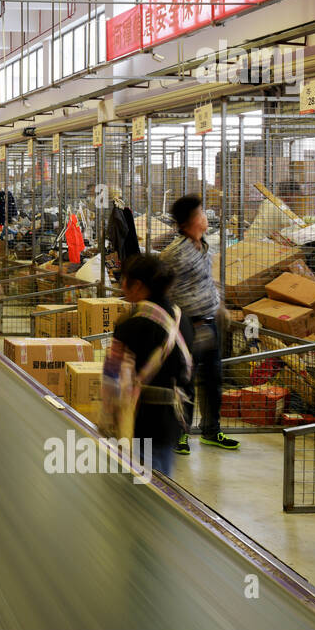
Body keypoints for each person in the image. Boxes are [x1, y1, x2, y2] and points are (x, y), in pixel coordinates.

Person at [159, 194, 240, 454]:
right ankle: (180, 433)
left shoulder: (203, 246)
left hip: (210, 322)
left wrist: (221, 307)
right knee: (186, 380)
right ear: (189, 221)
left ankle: (211, 430)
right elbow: (164, 290)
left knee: (213, 379)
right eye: (201, 212)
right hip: (187, 327)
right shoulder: (174, 254)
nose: (205, 216)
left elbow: (206, 281)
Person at [102, 255, 195, 477]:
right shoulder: (182, 318)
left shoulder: (132, 321)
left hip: (145, 415)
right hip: (175, 414)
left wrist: (108, 416)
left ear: (138, 286)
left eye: (124, 280)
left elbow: (111, 375)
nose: (121, 285)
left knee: (146, 481)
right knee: (162, 475)